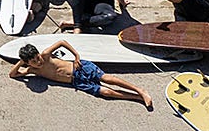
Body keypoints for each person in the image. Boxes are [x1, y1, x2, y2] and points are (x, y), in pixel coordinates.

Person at [9, 39, 153, 109]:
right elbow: (13, 75)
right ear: (28, 63)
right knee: (106, 92)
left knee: (108, 79)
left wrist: (76, 55)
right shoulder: (32, 70)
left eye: (37, 57)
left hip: (80, 68)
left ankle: (140, 90)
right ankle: (136, 98)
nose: (38, 61)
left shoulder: (46, 55)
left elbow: (61, 42)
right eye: (33, 61)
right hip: (76, 82)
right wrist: (21, 62)